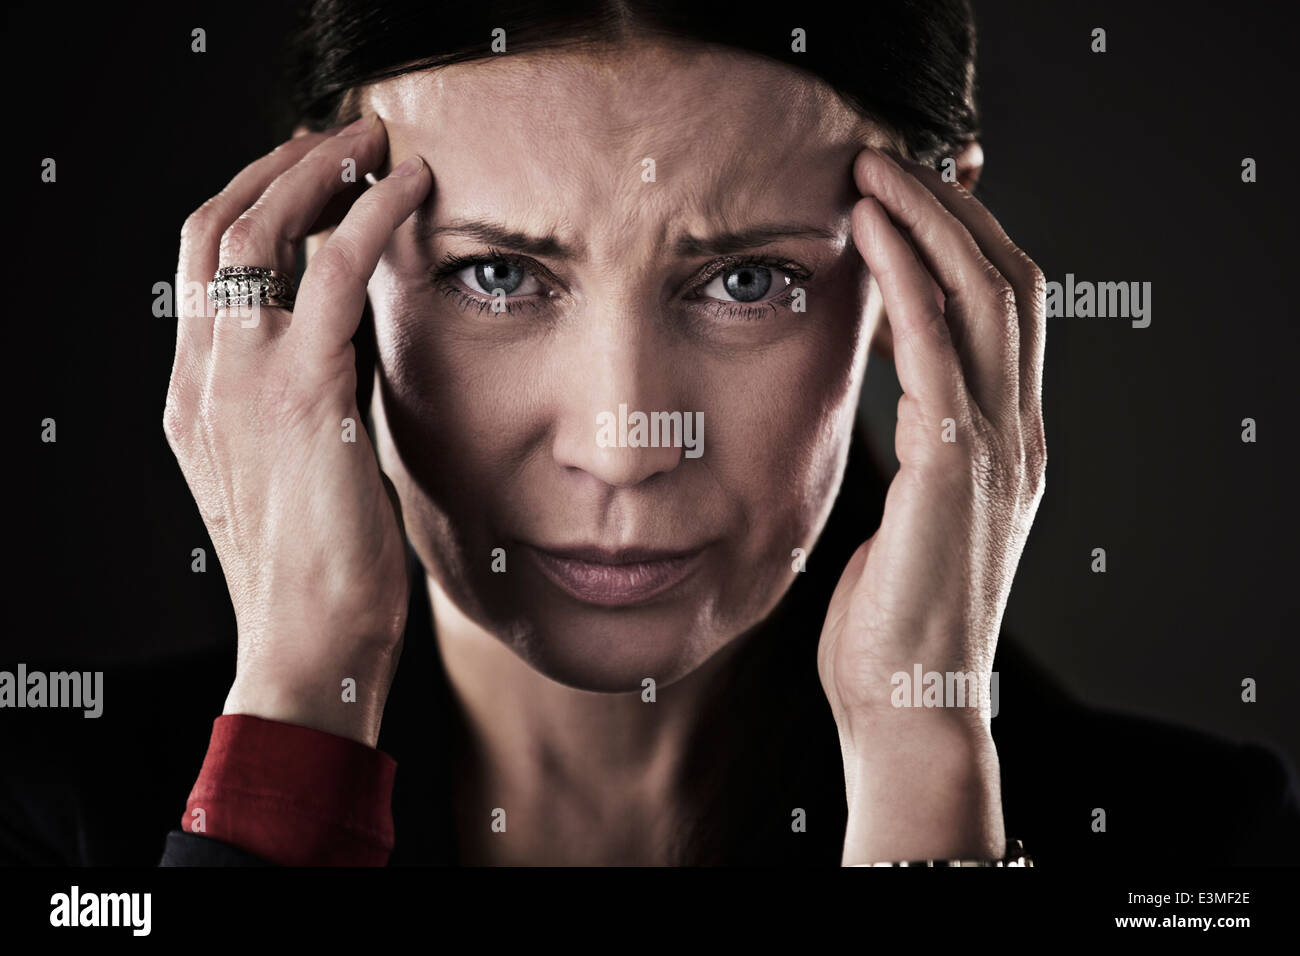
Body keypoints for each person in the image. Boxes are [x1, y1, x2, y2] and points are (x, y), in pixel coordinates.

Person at [3, 0, 1296, 867]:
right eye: (497, 275)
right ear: (305, 242)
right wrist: (296, 710)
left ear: (943, 260)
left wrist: (925, 765)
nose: (623, 444)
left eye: (745, 281)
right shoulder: (62, 820)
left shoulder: (1193, 844)